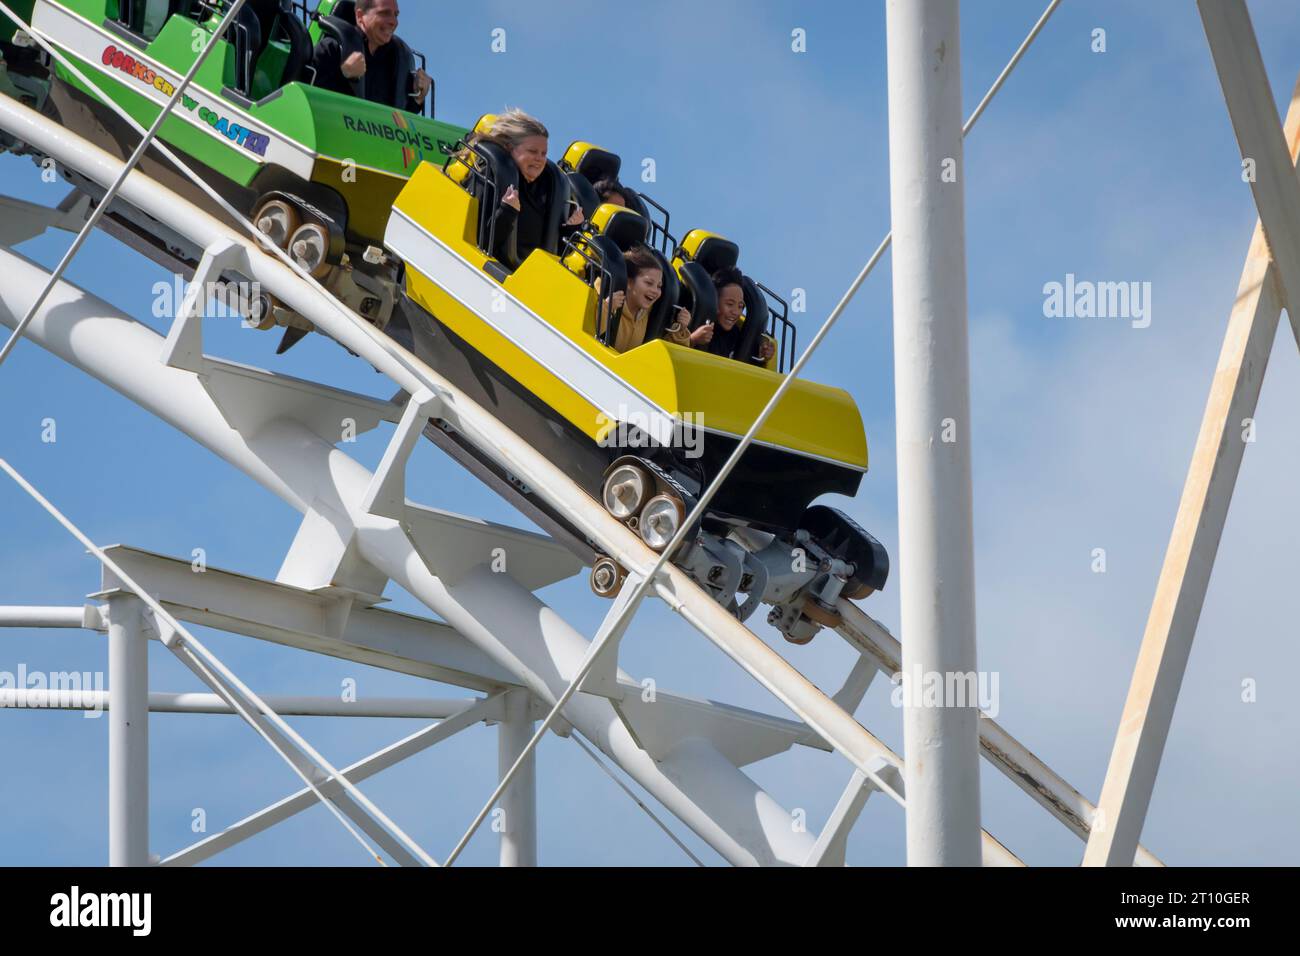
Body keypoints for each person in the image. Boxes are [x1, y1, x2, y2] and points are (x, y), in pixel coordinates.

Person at [472, 109, 583, 264]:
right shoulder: (491, 176)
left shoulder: (548, 189)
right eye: (532, 151)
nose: (539, 159)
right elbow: (481, 242)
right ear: (510, 147)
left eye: (544, 154)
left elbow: (554, 252)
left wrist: (572, 228)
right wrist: (507, 211)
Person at [311, 0, 431, 111]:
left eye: (395, 15)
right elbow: (302, 95)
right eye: (385, 13)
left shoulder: (396, 62)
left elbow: (401, 121)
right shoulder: (331, 48)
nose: (394, 22)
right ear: (360, 16)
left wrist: (417, 98)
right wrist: (343, 74)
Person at [600, 245, 692, 353]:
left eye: (659, 286)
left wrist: (680, 329)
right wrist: (606, 308)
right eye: (649, 283)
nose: (655, 291)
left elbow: (663, 353)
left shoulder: (649, 314)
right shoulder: (602, 298)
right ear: (629, 282)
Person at [690, 266, 776, 364]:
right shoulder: (695, 320)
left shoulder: (736, 334)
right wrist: (693, 339)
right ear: (715, 301)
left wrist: (762, 353)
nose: (735, 312)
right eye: (730, 304)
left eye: (740, 306)